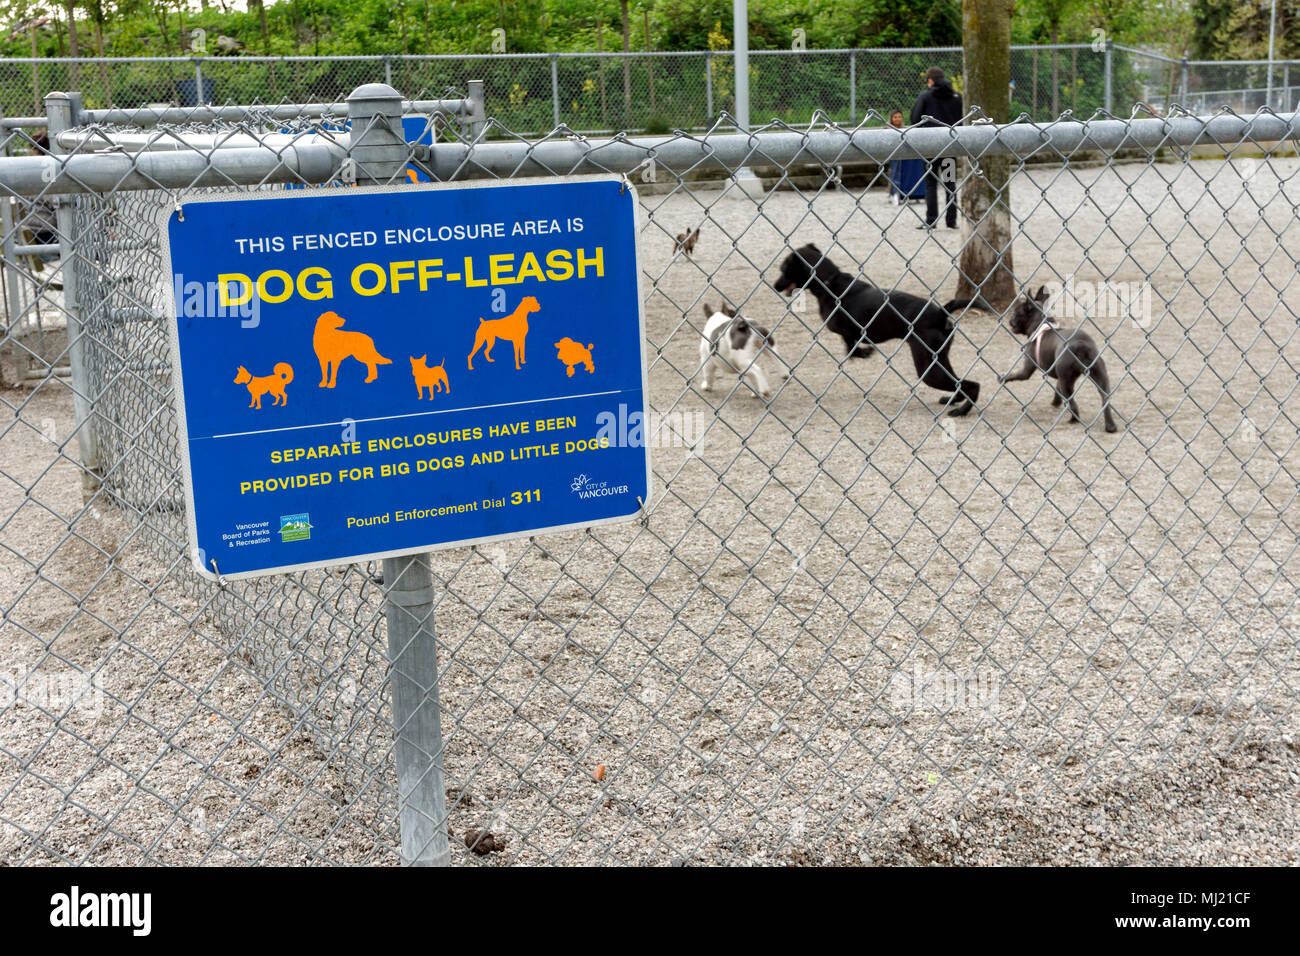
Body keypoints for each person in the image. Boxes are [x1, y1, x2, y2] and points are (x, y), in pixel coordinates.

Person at [909, 67, 962, 230]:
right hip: (950, 147)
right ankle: (951, 221)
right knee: (950, 183)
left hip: (931, 148)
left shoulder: (926, 96)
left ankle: (931, 220)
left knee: (931, 183)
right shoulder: (956, 97)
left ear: (930, 80)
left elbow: (914, 118)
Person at [886, 109, 923, 205]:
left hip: (903, 155)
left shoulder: (905, 129)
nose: (897, 119)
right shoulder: (888, 130)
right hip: (894, 155)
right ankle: (895, 193)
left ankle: (913, 193)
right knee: (895, 170)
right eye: (895, 117)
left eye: (899, 117)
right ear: (891, 119)